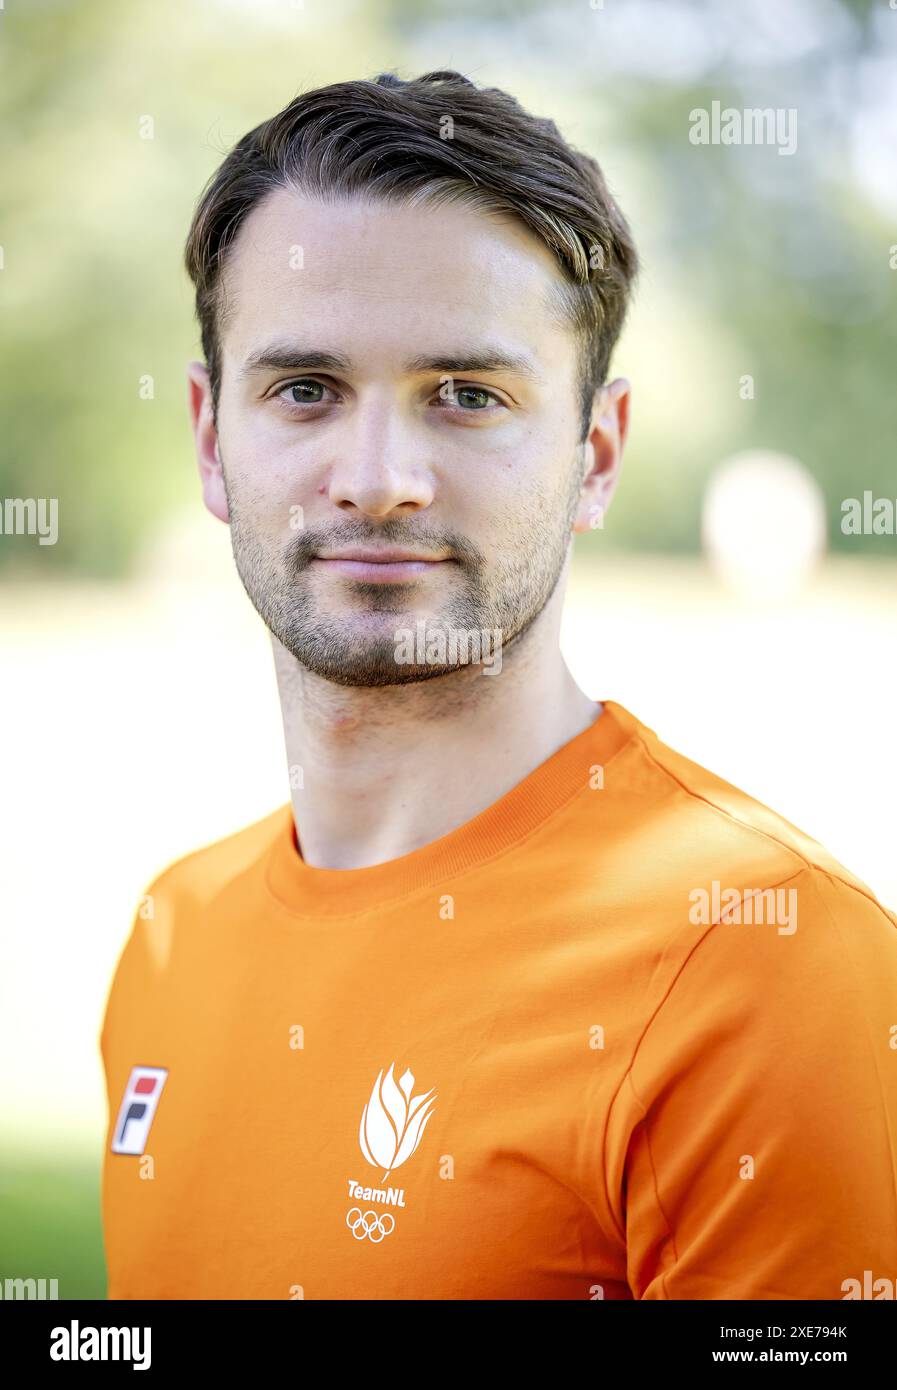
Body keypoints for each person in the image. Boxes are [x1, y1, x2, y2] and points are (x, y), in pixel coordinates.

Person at [100, 69, 897, 1301]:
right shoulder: (170, 934)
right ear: (211, 438)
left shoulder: (763, 963)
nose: (377, 479)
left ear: (598, 454)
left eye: (467, 396)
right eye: (305, 389)